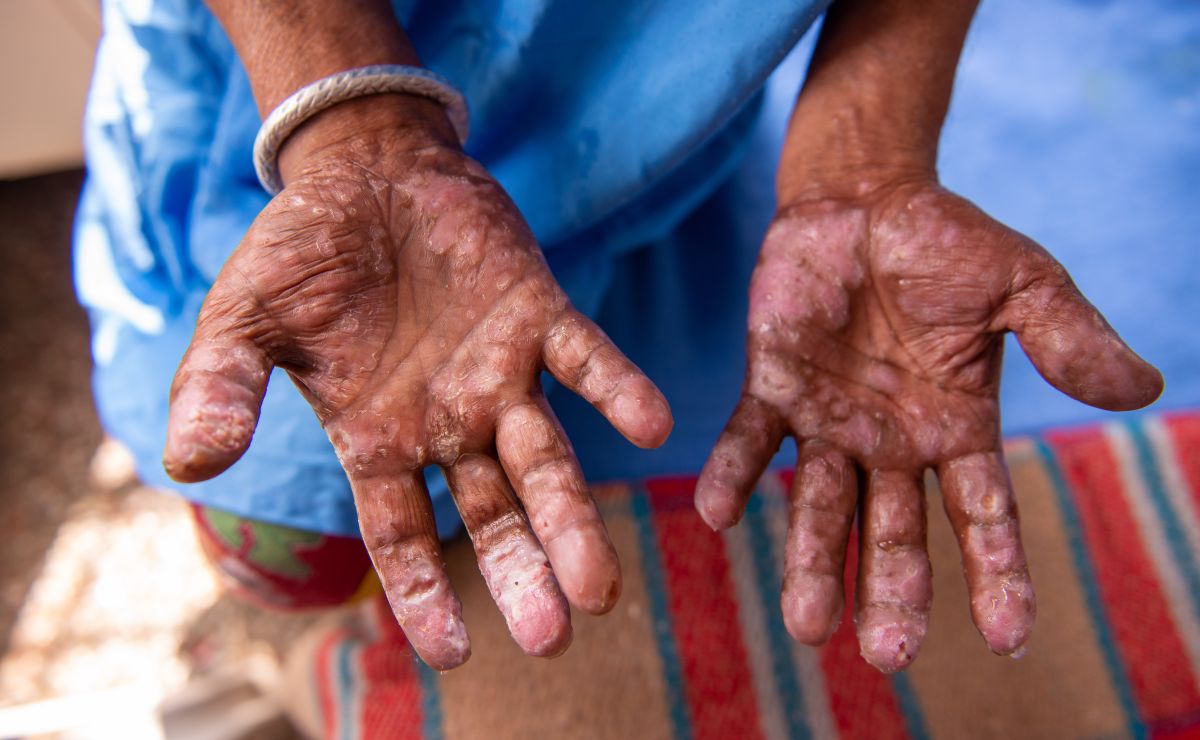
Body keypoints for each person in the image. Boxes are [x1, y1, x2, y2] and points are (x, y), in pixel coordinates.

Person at [76, 0, 1162, 675]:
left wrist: (861, 159)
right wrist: (348, 124)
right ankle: (283, 649)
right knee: (292, 540)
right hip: (284, 86)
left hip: (645, 71)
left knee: (596, 383)